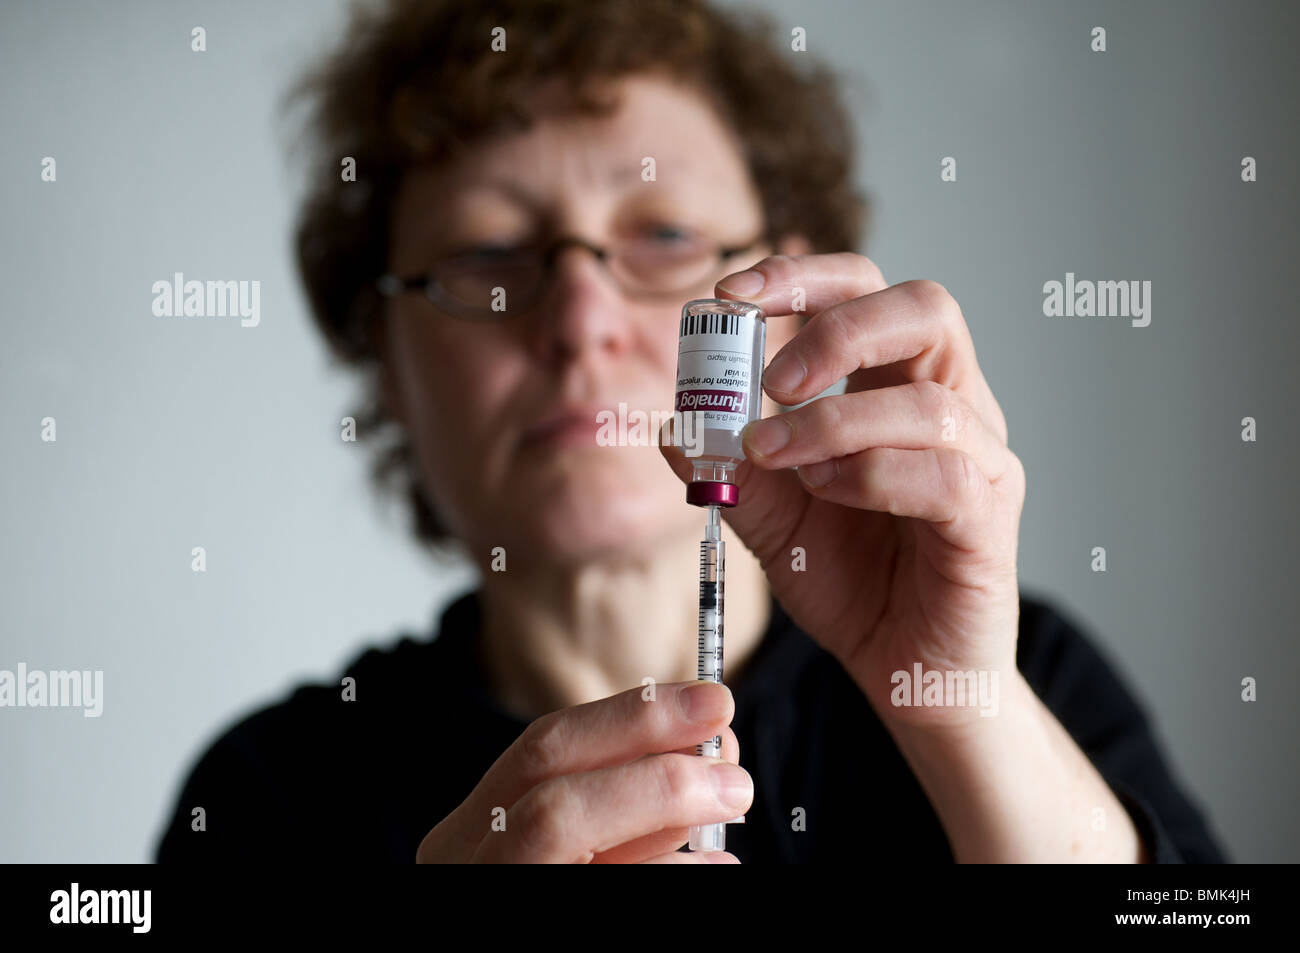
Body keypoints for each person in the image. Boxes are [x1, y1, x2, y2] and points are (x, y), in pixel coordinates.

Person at [155, 0, 1227, 864]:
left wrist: (963, 712)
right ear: (384, 352)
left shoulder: (1017, 673)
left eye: (663, 234)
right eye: (487, 258)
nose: (580, 323)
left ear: (792, 304)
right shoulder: (278, 796)